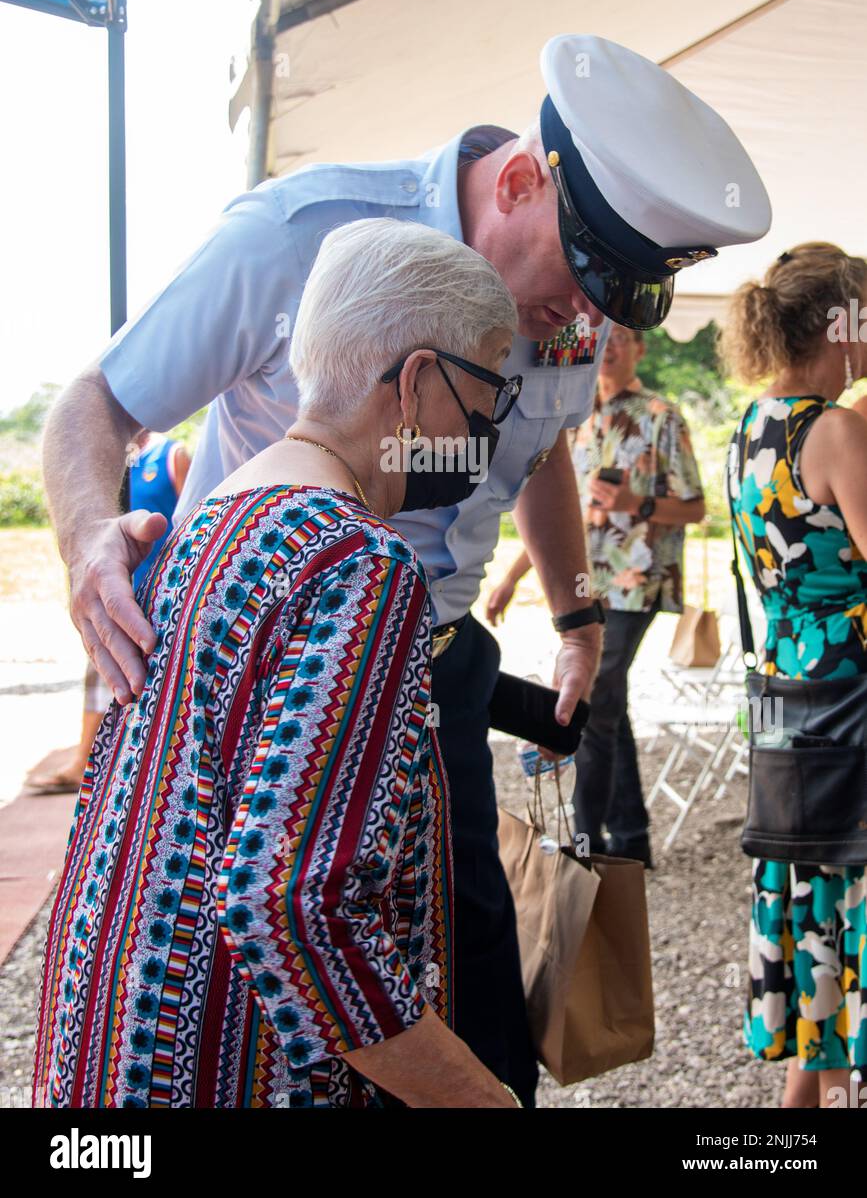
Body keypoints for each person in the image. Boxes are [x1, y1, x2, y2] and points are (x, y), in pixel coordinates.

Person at [40, 33, 771, 1104]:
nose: (581, 328)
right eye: (486, 394)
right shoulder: (295, 238)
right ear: (522, 182)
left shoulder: (555, 316)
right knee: (320, 964)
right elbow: (95, 401)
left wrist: (573, 614)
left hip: (432, 669)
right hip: (285, 663)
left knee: (441, 970)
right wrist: (89, 537)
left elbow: (548, 451)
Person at [33, 219, 525, 1109]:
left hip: (115, 1053)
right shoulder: (357, 562)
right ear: (415, 382)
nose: (494, 421)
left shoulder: (213, 519)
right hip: (229, 1063)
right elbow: (295, 914)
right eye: (490, 383)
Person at [721, 242, 867, 1109]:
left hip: (788, 705)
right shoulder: (839, 431)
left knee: (818, 900)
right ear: (840, 328)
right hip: (855, 698)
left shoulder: (750, 426)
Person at [486, 325, 705, 866]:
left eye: (622, 340)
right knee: (610, 709)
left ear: (640, 350)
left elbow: (696, 507)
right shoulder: (577, 421)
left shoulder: (662, 416)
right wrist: (513, 576)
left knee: (596, 700)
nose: (609, 349)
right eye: (603, 341)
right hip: (589, 586)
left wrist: (637, 503)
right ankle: (631, 839)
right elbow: (563, 515)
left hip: (639, 581)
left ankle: (585, 845)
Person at [25, 430, 189, 795]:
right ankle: (87, 762)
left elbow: (194, 515)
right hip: (116, 587)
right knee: (103, 674)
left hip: (160, 588)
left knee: (142, 681)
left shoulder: (171, 455)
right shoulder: (113, 453)